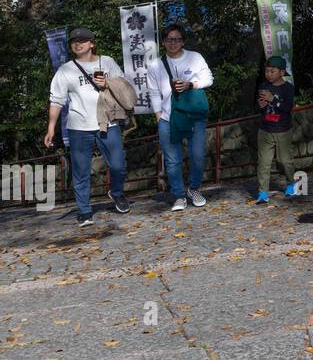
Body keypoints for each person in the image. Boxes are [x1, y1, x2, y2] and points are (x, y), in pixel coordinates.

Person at [44, 28, 133, 226]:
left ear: (92, 43)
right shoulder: (65, 70)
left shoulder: (107, 61)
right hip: (78, 126)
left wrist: (107, 82)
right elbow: (56, 100)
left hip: (108, 122)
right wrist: (51, 128)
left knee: (118, 165)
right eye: (74, 41)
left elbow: (124, 84)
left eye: (83, 40)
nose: (78, 44)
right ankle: (84, 211)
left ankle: (117, 193)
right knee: (81, 170)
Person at [148, 24, 214, 210]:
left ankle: (193, 189)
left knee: (197, 155)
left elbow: (209, 78)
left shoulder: (195, 57)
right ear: (164, 42)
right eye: (169, 39)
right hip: (168, 118)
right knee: (172, 159)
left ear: (183, 41)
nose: (173, 42)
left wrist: (190, 84)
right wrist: (159, 116)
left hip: (193, 115)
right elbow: (153, 92)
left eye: (177, 39)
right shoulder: (156, 65)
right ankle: (178, 195)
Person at [255, 55, 298, 204]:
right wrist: (261, 106)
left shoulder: (288, 88)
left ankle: (292, 184)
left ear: (281, 72)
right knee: (263, 163)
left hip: (283, 130)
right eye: (267, 71)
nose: (268, 74)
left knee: (285, 161)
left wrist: (272, 99)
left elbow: (287, 108)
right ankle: (262, 193)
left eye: (272, 71)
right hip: (265, 130)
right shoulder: (263, 86)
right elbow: (262, 108)